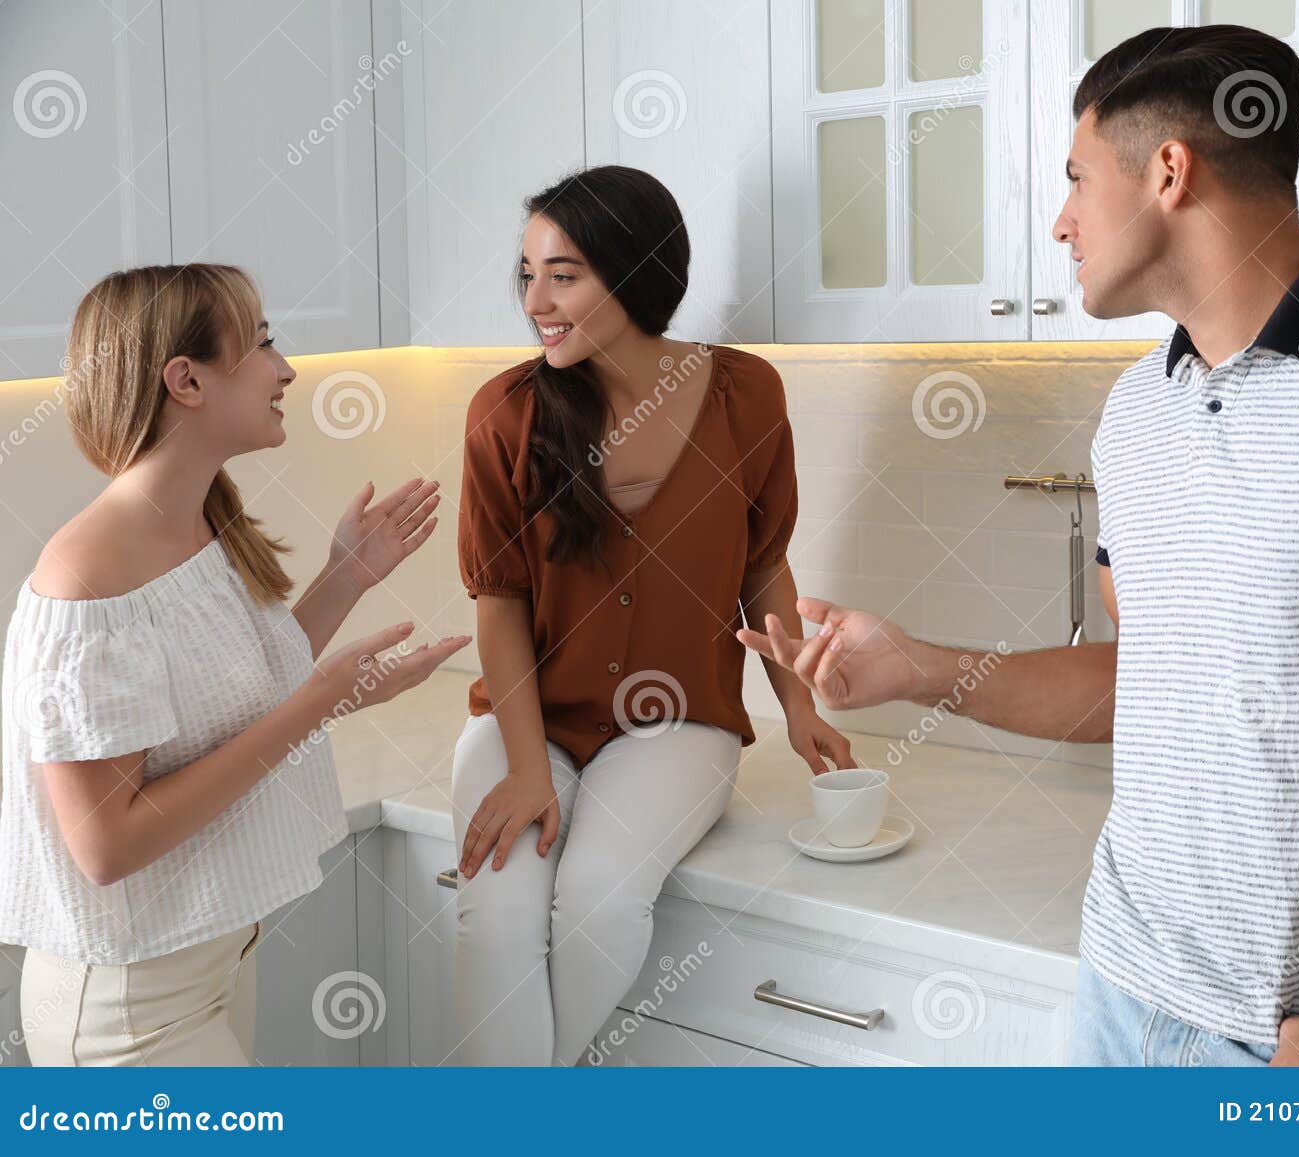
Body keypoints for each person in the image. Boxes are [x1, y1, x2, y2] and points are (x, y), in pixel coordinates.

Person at [738, 25, 1299, 1067]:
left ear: (1169, 172)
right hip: (1123, 993)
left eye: (1075, 180)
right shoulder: (1138, 408)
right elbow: (1150, 680)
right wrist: (917, 666)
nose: (1058, 222)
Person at [0, 264, 469, 1065]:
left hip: (210, 959)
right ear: (185, 380)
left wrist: (345, 575)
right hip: (125, 1008)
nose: (285, 369)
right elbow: (105, 847)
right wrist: (318, 703)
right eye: (261, 343)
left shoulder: (195, 524)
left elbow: (233, 692)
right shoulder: (88, 579)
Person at [450, 165, 855, 1065]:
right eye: (527, 274)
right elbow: (501, 601)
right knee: (499, 909)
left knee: (597, 896)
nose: (535, 302)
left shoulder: (746, 395)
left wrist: (797, 704)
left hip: (677, 718)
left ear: (635, 273)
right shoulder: (505, 415)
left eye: (565, 274)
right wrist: (525, 767)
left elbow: (763, 566)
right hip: (528, 716)